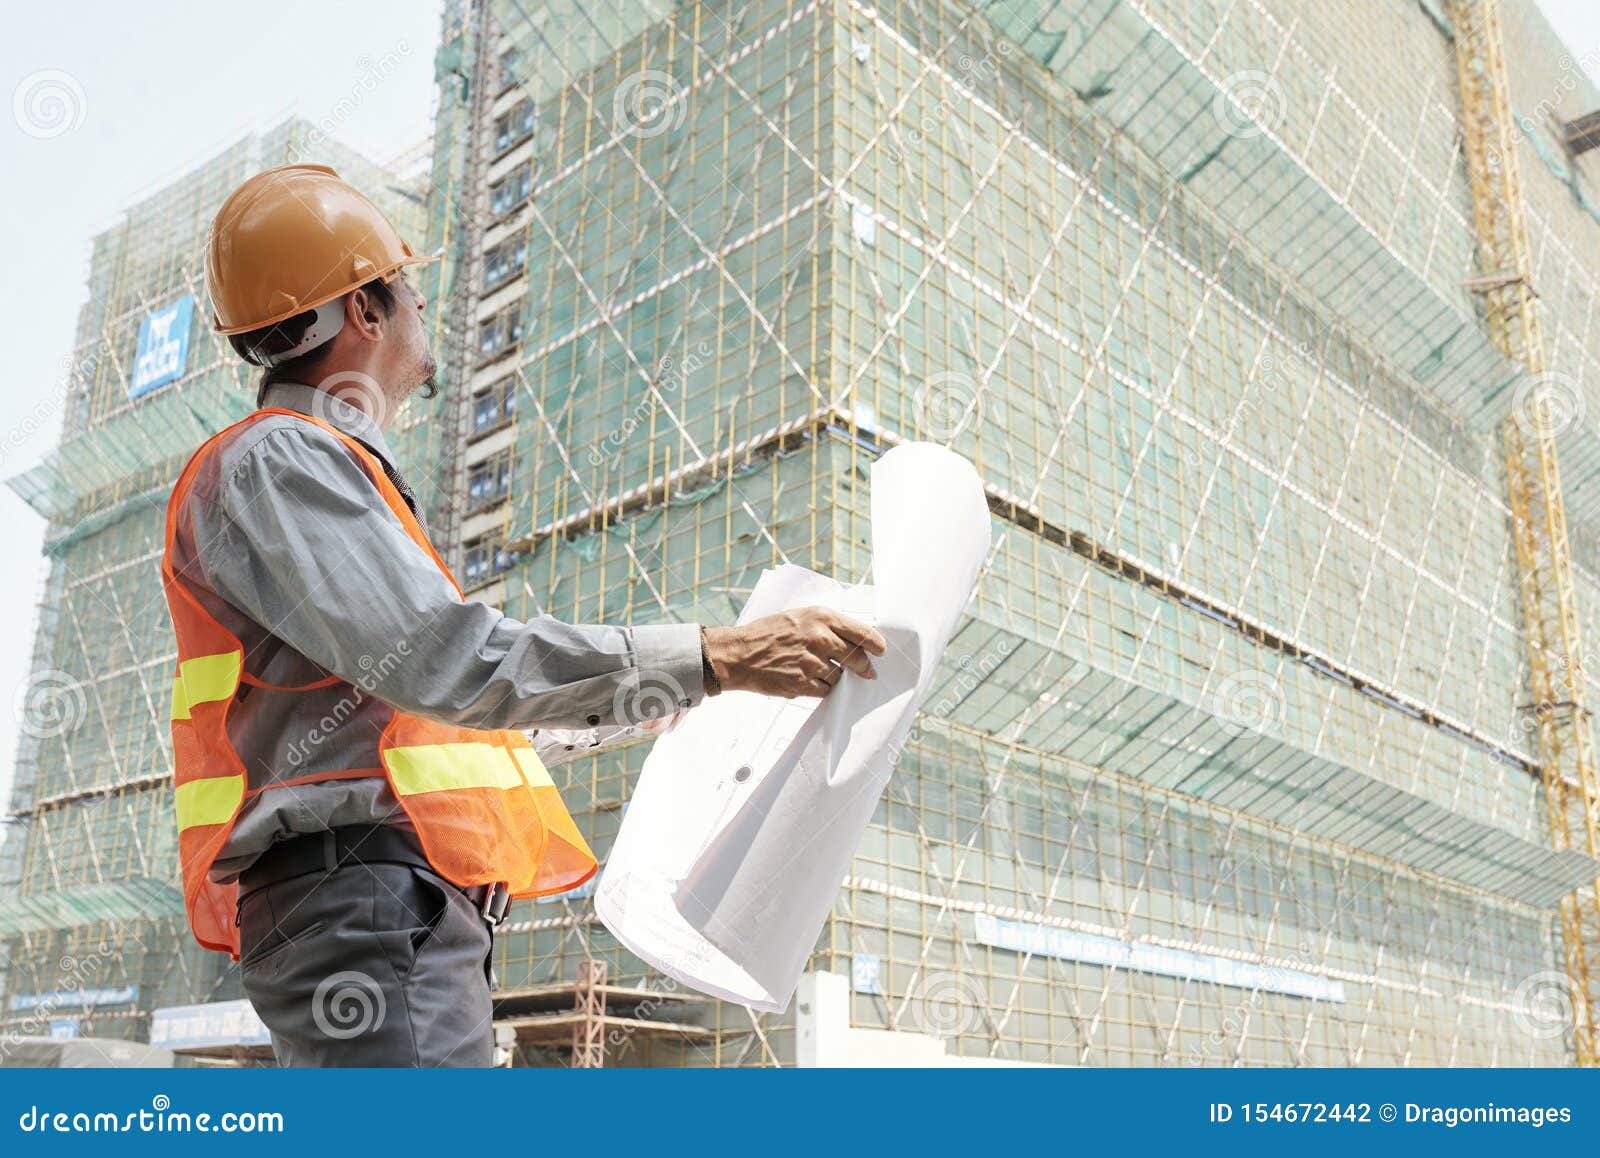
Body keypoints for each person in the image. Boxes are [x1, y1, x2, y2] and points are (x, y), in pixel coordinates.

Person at [160, 164, 886, 1067]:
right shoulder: (283, 462)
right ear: (365, 310)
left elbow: (435, 717)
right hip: (370, 905)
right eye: (409, 286)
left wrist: (690, 692)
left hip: (386, 909)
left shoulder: (322, 478)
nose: (423, 307)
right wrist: (717, 654)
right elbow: (448, 661)